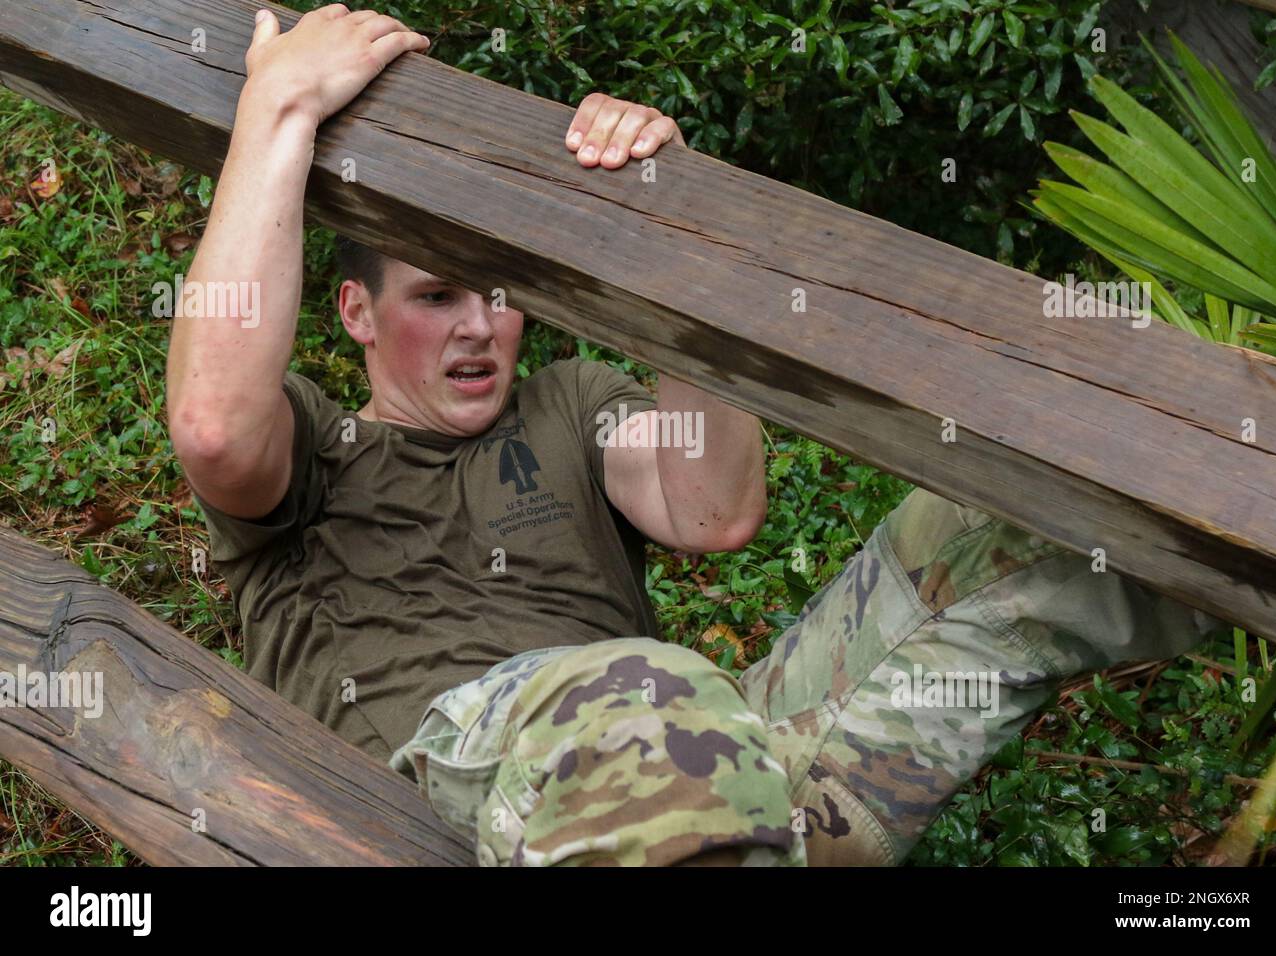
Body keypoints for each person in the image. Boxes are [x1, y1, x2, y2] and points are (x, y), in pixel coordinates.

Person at [166, 5, 1222, 867]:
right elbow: (215, 425)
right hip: (450, 802)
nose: (483, 325)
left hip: (720, 766)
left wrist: (669, 234)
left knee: (1012, 511)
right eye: (438, 296)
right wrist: (279, 105)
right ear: (355, 311)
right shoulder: (313, 440)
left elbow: (710, 508)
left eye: (499, 292)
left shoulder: (570, 400)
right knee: (643, 688)